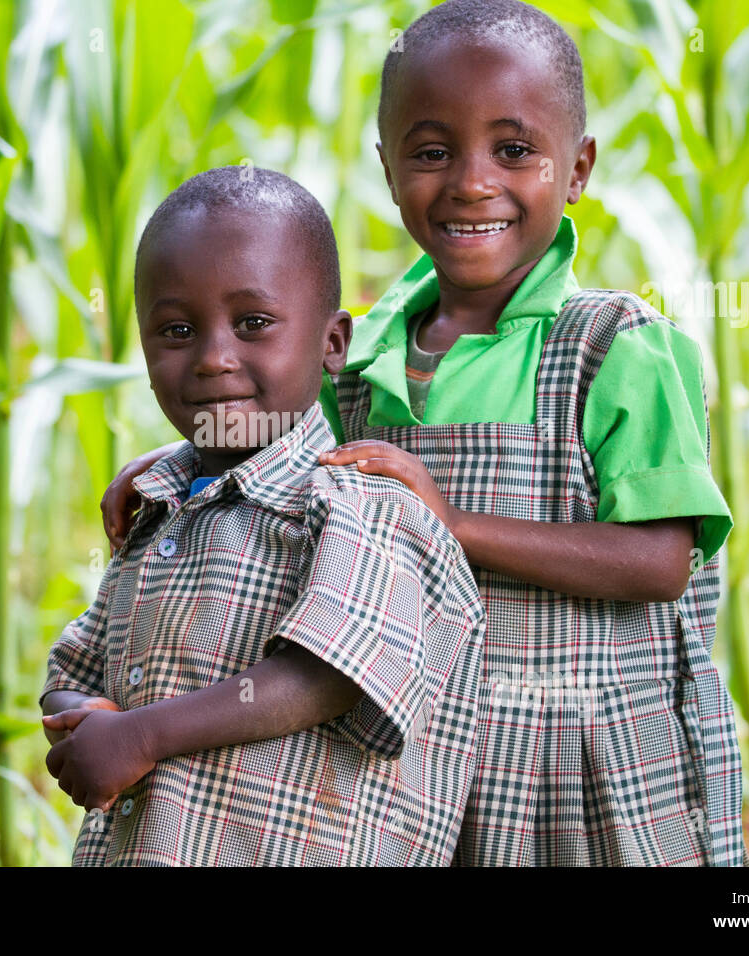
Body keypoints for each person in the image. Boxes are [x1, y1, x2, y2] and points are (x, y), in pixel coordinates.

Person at [100, 0, 747, 866]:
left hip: (578, 766)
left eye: (514, 150)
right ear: (388, 167)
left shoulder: (618, 348)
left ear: (579, 167)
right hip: (414, 771)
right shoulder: (355, 354)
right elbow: (281, 453)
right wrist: (176, 465)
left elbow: (661, 561)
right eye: (432, 152)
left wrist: (454, 524)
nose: (471, 182)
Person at [41, 166, 485, 866]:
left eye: (253, 324)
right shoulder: (155, 510)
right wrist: (87, 721)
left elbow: (329, 677)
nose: (214, 359)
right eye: (177, 330)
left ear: (332, 343)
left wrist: (143, 736)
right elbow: (76, 667)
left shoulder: (358, 504)